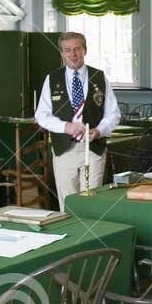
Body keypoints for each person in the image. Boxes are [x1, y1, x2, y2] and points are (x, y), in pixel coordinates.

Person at [34, 31, 122, 209]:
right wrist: (66, 126)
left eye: (77, 49)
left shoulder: (99, 77)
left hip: (93, 149)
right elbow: (42, 115)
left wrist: (99, 131)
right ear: (62, 53)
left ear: (85, 50)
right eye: (67, 50)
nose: (73, 54)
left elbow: (113, 114)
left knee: (92, 203)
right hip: (64, 150)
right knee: (68, 203)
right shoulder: (52, 79)